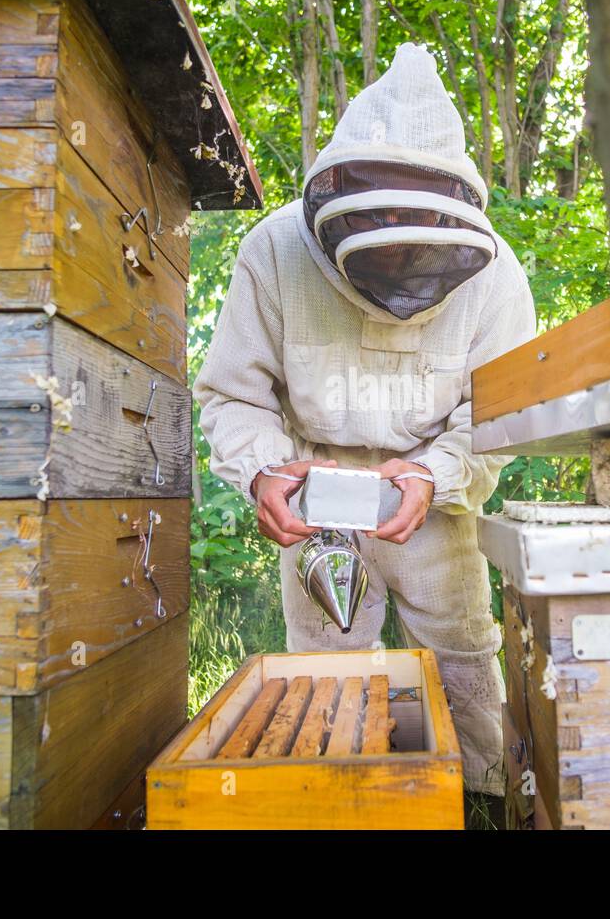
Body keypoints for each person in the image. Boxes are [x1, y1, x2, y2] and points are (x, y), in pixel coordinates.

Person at [194, 42, 536, 812]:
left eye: (416, 222)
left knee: (463, 666)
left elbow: (499, 412)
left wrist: (431, 474)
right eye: (383, 215)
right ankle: (339, 803)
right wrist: (265, 471)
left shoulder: (496, 276)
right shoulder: (274, 251)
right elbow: (233, 394)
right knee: (324, 669)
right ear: (338, 189)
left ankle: (476, 802)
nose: (399, 239)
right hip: (314, 489)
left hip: (431, 495)